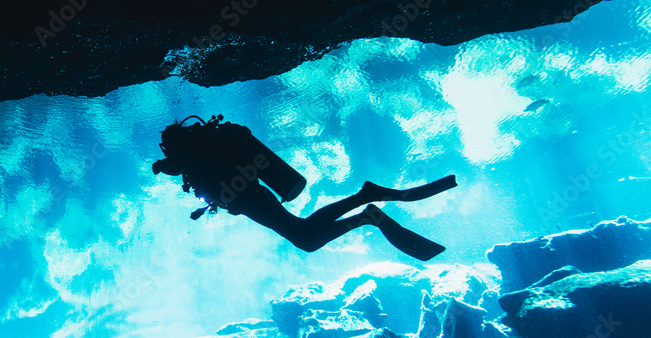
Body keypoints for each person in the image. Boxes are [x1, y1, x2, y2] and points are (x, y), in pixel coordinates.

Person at [152, 115, 456, 261]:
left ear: (176, 143)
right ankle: (366, 196)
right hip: (250, 197)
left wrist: (164, 164)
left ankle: (368, 213)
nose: (167, 153)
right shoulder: (197, 153)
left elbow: (179, 165)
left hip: (249, 198)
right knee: (303, 231)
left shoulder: (191, 155)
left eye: (169, 147)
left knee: (305, 239)